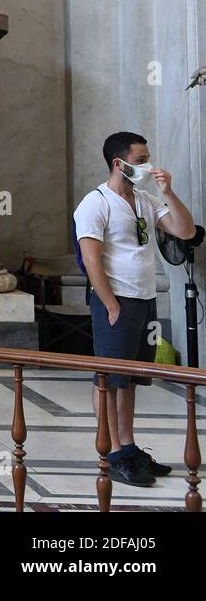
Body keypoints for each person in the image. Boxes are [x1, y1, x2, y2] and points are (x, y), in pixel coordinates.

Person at [74, 131, 196, 487]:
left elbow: (185, 231)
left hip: (144, 300)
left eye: (147, 158)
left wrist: (168, 192)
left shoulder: (143, 199)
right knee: (109, 381)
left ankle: (128, 446)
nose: (148, 165)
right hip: (116, 301)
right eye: (141, 160)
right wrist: (110, 303)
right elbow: (91, 258)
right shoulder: (95, 203)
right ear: (119, 163)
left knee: (130, 382)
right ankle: (112, 453)